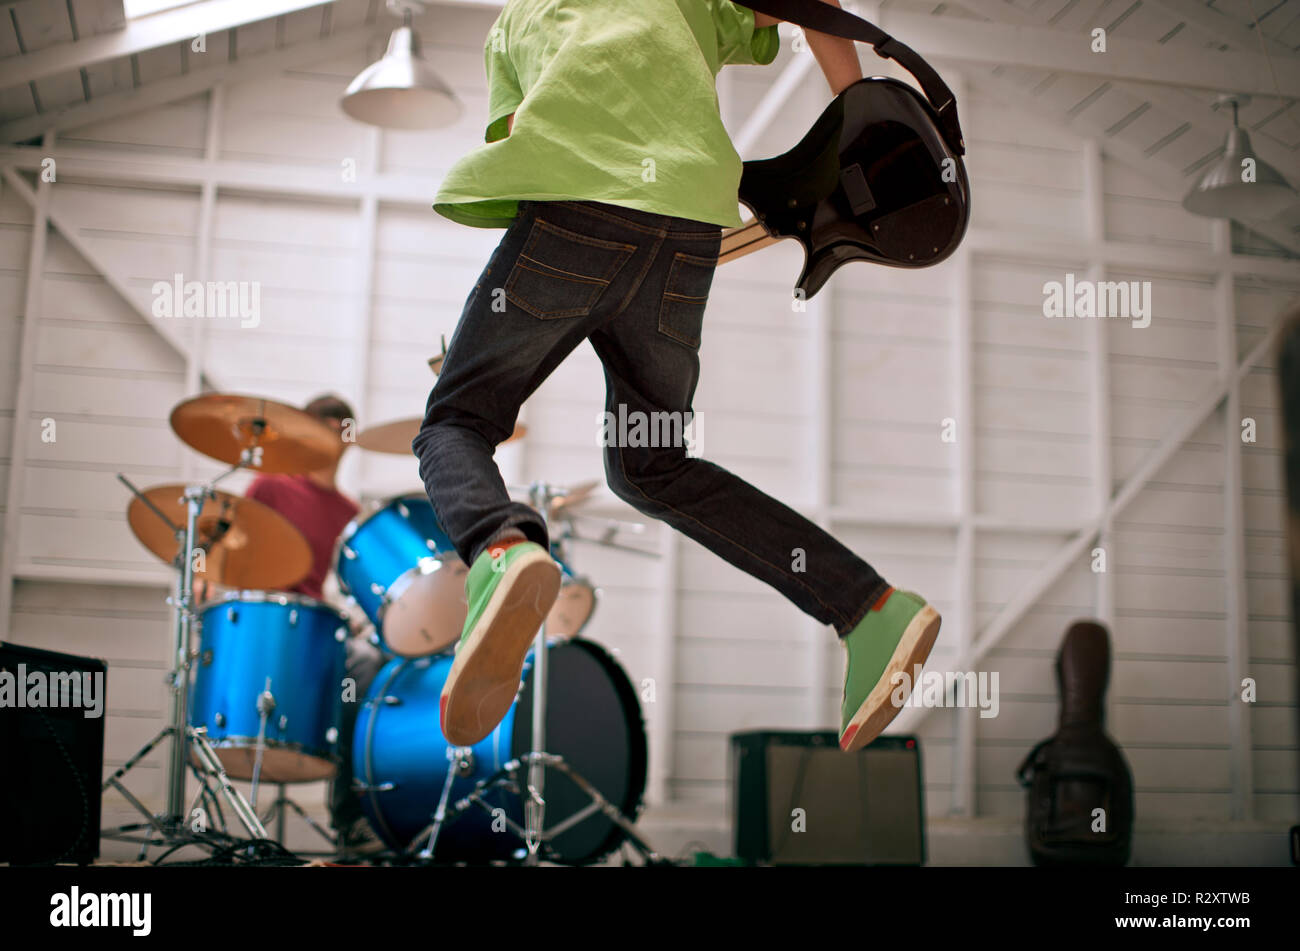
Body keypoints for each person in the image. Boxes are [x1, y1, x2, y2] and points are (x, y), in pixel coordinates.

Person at [413, 0, 941, 754]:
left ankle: (502, 548)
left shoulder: (514, 23)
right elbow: (811, 7)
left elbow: (524, 136)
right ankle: (869, 607)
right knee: (652, 464)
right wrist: (856, 112)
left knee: (457, 422)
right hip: (687, 231)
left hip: (573, 217)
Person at [242, 394, 386, 852]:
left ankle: (350, 818)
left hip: (315, 628)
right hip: (263, 619)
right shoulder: (269, 488)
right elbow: (229, 547)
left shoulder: (348, 513)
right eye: (319, 428)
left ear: (348, 441)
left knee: (371, 664)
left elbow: (349, 588)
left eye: (337, 431)